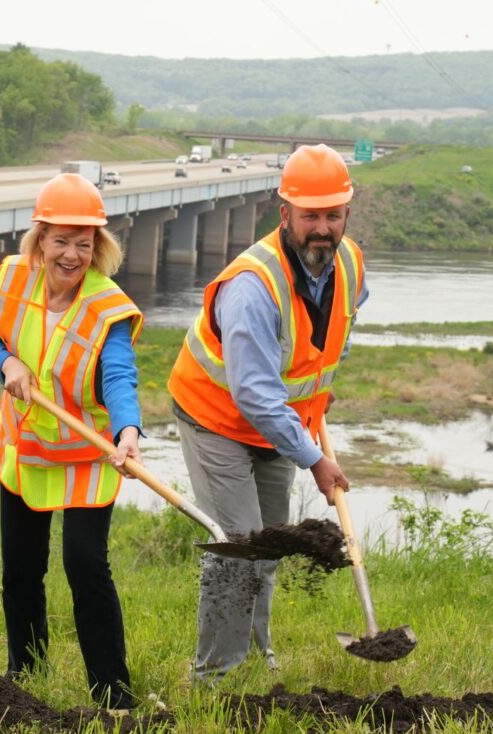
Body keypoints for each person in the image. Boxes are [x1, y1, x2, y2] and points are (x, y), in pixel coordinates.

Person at [167, 144, 367, 682]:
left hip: (279, 425)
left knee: (270, 542)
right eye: (310, 216)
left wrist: (317, 402)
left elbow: (338, 335)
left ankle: (257, 656)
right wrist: (314, 460)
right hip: (216, 417)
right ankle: (216, 677)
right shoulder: (254, 286)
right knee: (239, 547)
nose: (321, 227)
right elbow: (253, 394)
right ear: (286, 215)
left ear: (346, 213)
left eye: (332, 215)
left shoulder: (349, 262)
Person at [0, 173, 144, 710]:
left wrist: (128, 432)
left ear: (99, 247)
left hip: (88, 456)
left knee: (86, 567)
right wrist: (8, 362)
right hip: (26, 450)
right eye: (61, 240)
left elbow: (118, 375)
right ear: (40, 239)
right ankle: (24, 675)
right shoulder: (11, 279)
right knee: (20, 570)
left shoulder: (106, 305)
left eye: (84, 243)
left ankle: (112, 692)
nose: (71, 254)